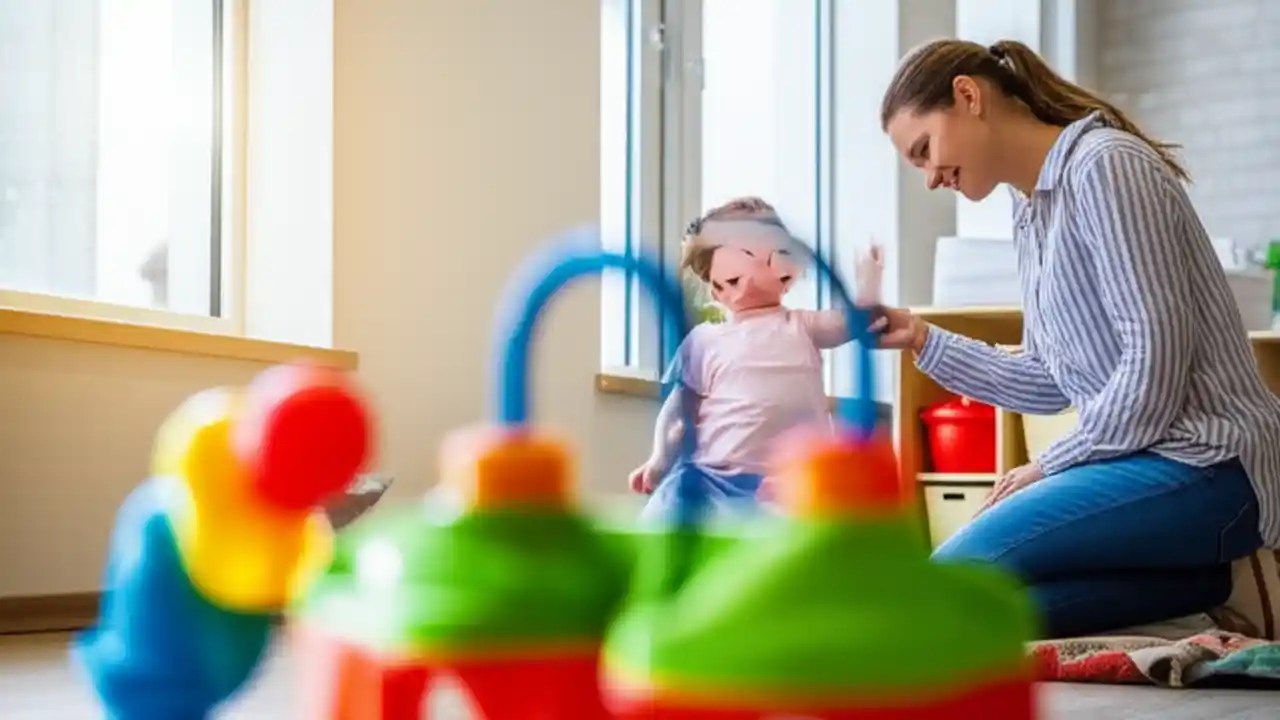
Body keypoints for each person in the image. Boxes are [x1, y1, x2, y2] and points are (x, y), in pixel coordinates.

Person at [872, 38, 1280, 638]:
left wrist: (1048, 466)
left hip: (1212, 463)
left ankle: (1215, 569)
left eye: (924, 150)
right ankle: (1208, 586)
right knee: (969, 608)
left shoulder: (1106, 167)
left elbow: (1153, 367)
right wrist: (921, 338)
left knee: (947, 585)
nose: (930, 177)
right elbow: (1049, 378)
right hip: (1149, 465)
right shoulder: (1032, 209)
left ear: (967, 96)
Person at [628, 197, 883, 522]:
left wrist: (868, 287)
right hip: (713, 476)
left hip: (789, 483)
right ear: (718, 289)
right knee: (674, 496)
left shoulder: (802, 325)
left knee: (815, 518)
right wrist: (659, 461)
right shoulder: (705, 340)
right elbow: (677, 411)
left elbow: (854, 323)